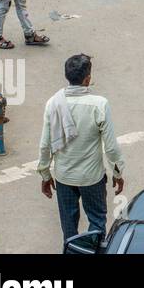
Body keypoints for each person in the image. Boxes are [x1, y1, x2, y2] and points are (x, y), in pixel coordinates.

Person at [37, 54, 124, 249]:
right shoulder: (99, 104)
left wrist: (44, 174)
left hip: (64, 177)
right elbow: (110, 147)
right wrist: (117, 172)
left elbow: (45, 145)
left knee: (69, 229)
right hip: (91, 178)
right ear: (87, 79)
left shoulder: (53, 103)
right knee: (97, 223)